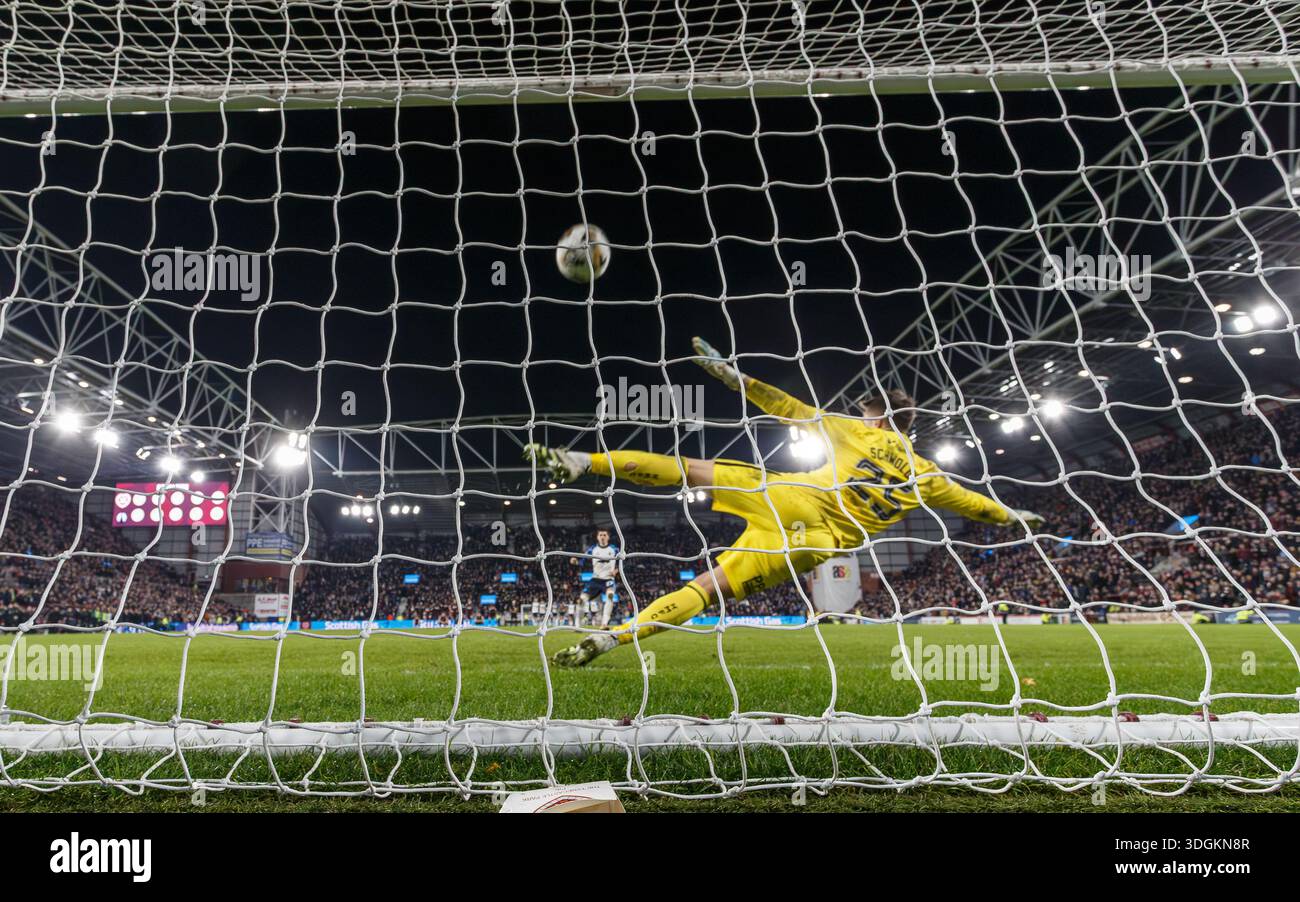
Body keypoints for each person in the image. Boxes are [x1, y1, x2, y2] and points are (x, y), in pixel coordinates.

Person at [527, 337, 1045, 667]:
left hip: (793, 501)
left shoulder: (858, 433)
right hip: (816, 546)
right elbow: (979, 506)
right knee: (708, 590)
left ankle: (583, 463)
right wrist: (1017, 517)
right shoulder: (928, 476)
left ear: (878, 418)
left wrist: (735, 378)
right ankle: (613, 639)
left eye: (866, 414)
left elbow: (789, 408)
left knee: (693, 469)